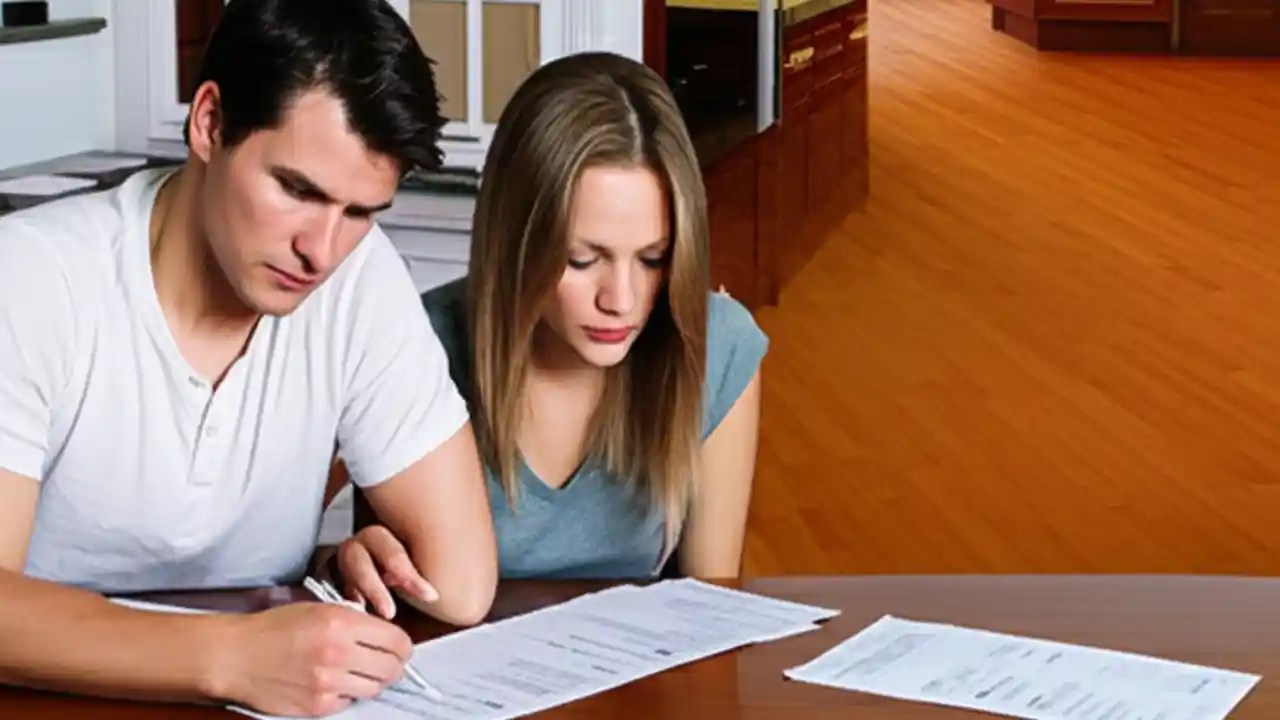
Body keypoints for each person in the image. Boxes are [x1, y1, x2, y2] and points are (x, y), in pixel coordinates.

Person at [0, 0, 496, 716]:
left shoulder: (359, 280)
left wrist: (343, 562)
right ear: (209, 123)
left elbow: (462, 584)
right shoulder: (34, 276)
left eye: (361, 212)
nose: (321, 251)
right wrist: (232, 658)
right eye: (297, 190)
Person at [337, 51, 767, 589]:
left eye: (653, 258)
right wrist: (340, 562)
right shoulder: (418, 346)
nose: (622, 299)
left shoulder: (718, 346)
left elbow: (710, 603)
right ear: (518, 241)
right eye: (582, 260)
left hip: (640, 667)